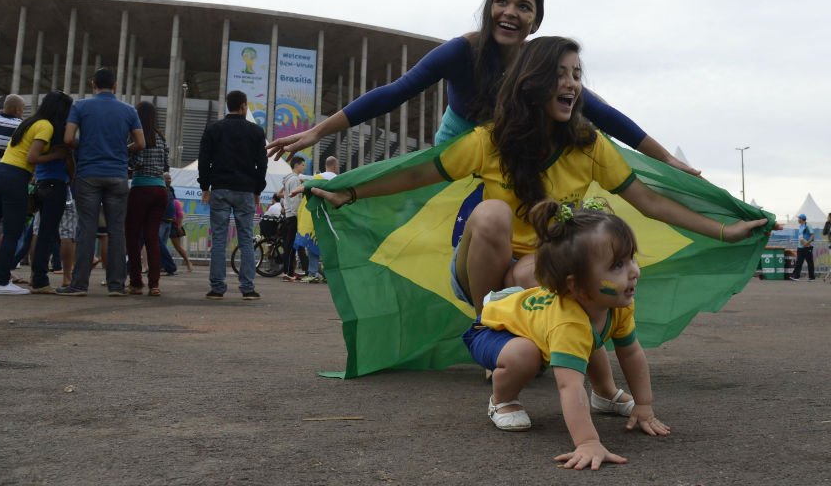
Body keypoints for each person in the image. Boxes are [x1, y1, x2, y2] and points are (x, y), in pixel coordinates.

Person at [312, 36, 771, 404]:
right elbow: (417, 172)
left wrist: (723, 230)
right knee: (490, 213)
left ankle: (584, 375)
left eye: (577, 75)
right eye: (560, 74)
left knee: (559, 264)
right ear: (532, 82)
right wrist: (350, 190)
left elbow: (650, 202)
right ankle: (490, 333)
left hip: (540, 272)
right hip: (480, 267)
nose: (571, 84)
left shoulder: (589, 145)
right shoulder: (489, 140)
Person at [267, 0, 697, 177]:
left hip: (509, 153)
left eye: (523, 7)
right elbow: (395, 92)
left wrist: (666, 159)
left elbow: (601, 112)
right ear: (490, 6)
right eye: (502, 1)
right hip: (455, 147)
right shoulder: (461, 51)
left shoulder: (539, 65)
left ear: (535, 22)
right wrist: (317, 132)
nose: (510, 12)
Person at [462, 198, 669, 470]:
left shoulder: (616, 304)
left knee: (588, 336)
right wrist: (587, 442)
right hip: (491, 330)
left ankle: (605, 394)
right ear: (576, 285)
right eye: (617, 266)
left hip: (537, 326)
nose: (633, 272)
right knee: (526, 353)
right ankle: (502, 400)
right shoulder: (567, 322)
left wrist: (644, 405)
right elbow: (569, 386)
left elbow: (631, 353)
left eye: (631, 258)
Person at [56, 68, 145, 297]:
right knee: (116, 230)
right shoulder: (129, 110)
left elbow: (68, 138)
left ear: (93, 84)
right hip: (117, 174)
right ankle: (116, 285)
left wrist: (85, 147)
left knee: (86, 228)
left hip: (88, 174)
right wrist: (122, 151)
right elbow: (141, 143)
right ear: (115, 85)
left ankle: (79, 284)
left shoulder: (80, 106)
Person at [0, 90, 72, 294]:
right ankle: (2, 283)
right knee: (12, 231)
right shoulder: (46, 126)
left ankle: (3, 280)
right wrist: (57, 154)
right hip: (15, 176)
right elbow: (32, 158)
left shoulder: (29, 122)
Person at [198, 90, 268, 300]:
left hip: (220, 188)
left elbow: (204, 160)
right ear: (244, 106)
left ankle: (217, 288)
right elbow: (262, 164)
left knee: (219, 239)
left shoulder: (213, 129)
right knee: (246, 239)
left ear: (228, 105)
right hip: (245, 190)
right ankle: (248, 288)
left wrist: (205, 186)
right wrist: (258, 189)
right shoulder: (256, 132)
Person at [124, 101, 170, 297]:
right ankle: (154, 284)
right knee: (152, 237)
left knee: (133, 236)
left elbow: (138, 162)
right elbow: (166, 166)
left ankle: (136, 282)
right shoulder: (161, 138)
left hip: (141, 189)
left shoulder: (137, 136)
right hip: (160, 190)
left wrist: (127, 154)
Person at [29, 104, 75, 294]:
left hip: (40, 184)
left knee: (38, 231)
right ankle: (66, 277)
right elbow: (70, 165)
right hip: (58, 185)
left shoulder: (41, 129)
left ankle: (35, 275)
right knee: (66, 233)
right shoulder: (63, 135)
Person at [0, 94, 25, 263]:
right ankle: (3, 261)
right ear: (18, 110)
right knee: (9, 222)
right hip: (7, 175)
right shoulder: (20, 126)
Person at [281, 155, 306, 282]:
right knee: (291, 245)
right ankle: (289, 272)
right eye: (302, 165)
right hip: (294, 215)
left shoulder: (288, 179)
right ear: (296, 165)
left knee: (289, 244)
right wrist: (298, 215)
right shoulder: (295, 180)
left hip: (289, 214)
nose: (304, 167)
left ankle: (288, 271)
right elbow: (295, 199)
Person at [789, 213, 815, 281]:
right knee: (799, 262)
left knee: (810, 262)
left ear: (802, 219)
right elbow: (801, 237)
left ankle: (812, 277)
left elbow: (812, 236)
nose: (798, 219)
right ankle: (795, 276)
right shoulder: (800, 226)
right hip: (800, 247)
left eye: (799, 218)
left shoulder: (808, 225)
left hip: (807, 247)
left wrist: (807, 243)